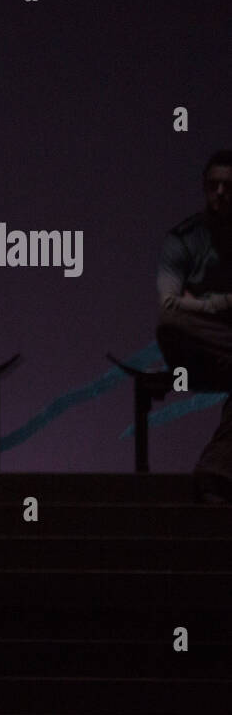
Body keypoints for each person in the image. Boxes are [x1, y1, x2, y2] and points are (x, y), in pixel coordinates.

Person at [155, 150, 232, 503]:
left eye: (227, 186)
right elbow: (170, 306)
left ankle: (213, 473)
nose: (219, 193)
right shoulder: (184, 238)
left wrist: (198, 302)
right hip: (194, 349)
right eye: (212, 186)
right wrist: (223, 303)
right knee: (172, 322)